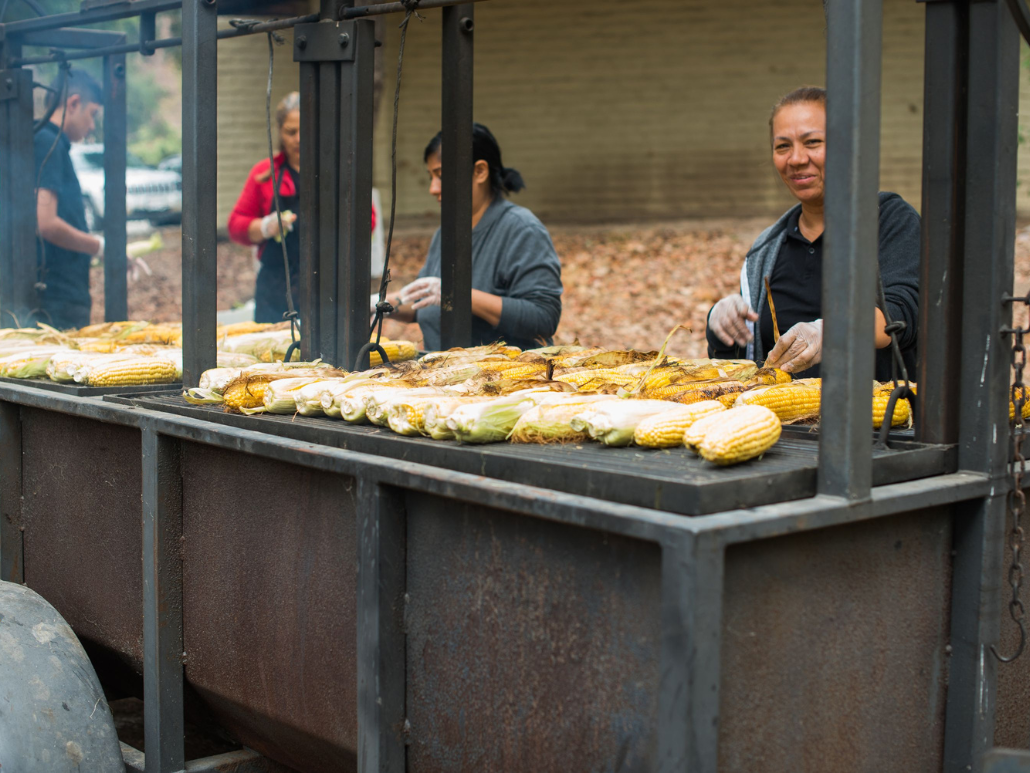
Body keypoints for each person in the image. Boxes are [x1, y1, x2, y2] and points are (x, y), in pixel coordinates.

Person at [705, 86, 919, 381]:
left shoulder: (889, 220)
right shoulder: (766, 250)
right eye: (782, 147)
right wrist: (721, 327)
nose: (796, 159)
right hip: (788, 426)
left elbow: (900, 316)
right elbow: (742, 369)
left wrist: (829, 333)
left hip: (879, 424)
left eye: (812, 142)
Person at [380, 123, 563, 352]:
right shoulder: (446, 233)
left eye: (441, 176)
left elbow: (543, 318)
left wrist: (457, 294)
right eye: (431, 177)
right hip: (441, 379)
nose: (433, 189)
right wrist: (377, 305)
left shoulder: (521, 229)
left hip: (499, 382)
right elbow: (425, 300)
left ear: (480, 171)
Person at [34, 68, 104, 330]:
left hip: (60, 294)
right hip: (56, 299)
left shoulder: (51, 143)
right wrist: (98, 246)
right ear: (74, 104)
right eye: (92, 114)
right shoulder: (46, 143)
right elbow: (46, 223)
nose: (93, 125)